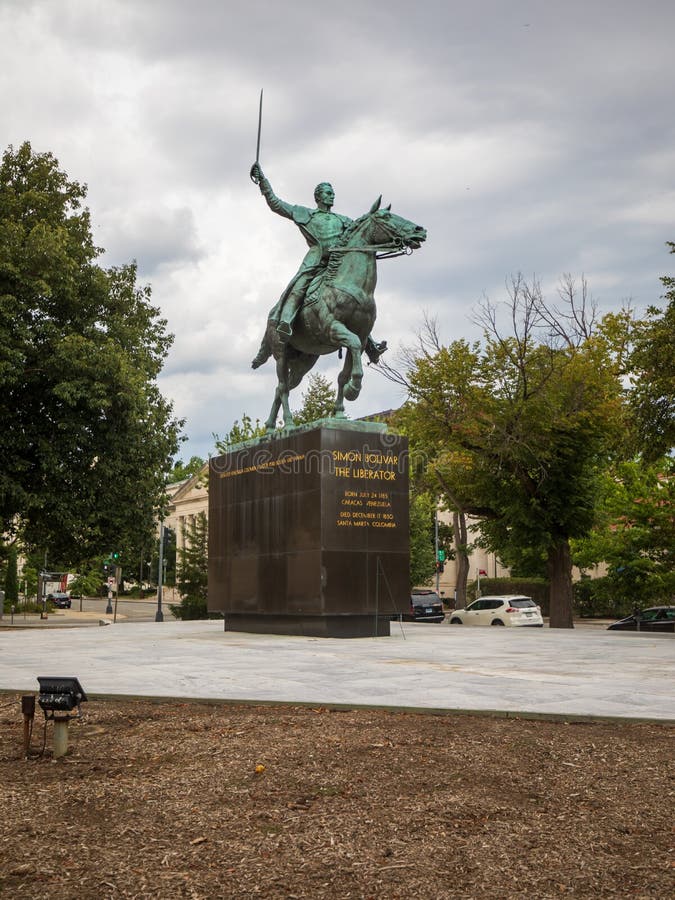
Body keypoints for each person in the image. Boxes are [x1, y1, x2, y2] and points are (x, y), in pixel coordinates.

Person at [250, 163, 386, 368]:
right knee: (298, 288)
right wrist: (263, 182)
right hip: (316, 262)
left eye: (333, 193)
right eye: (328, 193)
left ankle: (370, 345)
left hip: (339, 264)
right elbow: (277, 204)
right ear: (318, 197)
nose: (332, 196)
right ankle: (285, 321)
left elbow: (361, 232)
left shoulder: (343, 220)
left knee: (354, 300)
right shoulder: (307, 215)